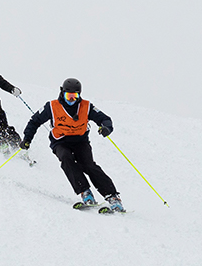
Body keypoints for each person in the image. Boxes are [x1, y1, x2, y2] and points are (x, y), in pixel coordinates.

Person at [19, 78, 125, 212]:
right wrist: (27, 139)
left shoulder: (86, 106)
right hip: (60, 142)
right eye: (68, 96)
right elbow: (34, 121)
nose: (71, 99)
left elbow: (105, 119)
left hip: (80, 141)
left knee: (88, 165)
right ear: (62, 93)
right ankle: (85, 192)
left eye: (75, 96)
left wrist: (106, 128)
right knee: (66, 158)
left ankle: (113, 197)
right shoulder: (52, 106)